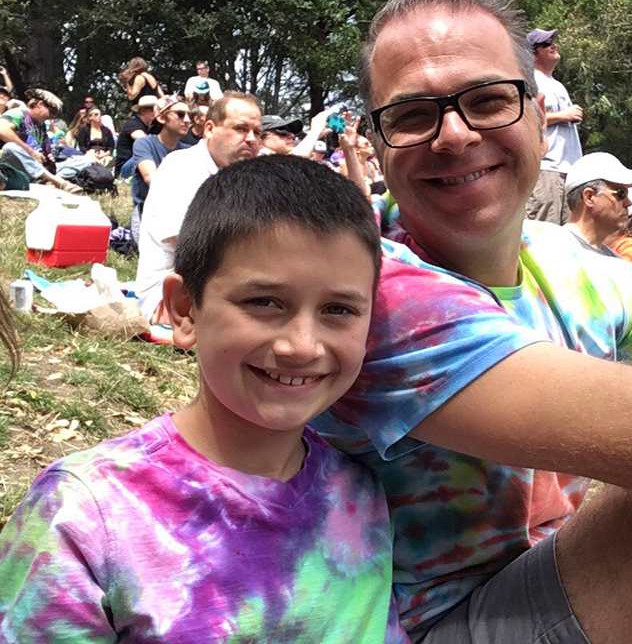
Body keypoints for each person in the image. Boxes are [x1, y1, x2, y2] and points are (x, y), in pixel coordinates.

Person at [314, 0, 632, 643]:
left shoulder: (564, 260)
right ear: (379, 145)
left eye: (488, 100)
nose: (454, 135)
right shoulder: (366, 295)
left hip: (545, 586)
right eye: (412, 115)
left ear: (538, 115)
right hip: (425, 626)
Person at [0, 156, 408, 643]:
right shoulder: (84, 516)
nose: (302, 346)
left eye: (338, 310)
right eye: (264, 302)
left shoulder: (360, 494)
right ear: (184, 310)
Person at [136, 93, 262, 328]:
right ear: (210, 129)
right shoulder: (181, 167)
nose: (251, 139)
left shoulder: (243, 176)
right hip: (172, 299)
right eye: (240, 129)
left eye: (258, 132)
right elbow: (189, 248)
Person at [524, 27, 583, 225]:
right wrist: (562, 115)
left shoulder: (557, 84)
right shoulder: (530, 80)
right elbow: (525, 118)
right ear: (533, 54)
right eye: (546, 44)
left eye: (553, 42)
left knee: (567, 232)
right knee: (544, 229)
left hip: (569, 170)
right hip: (547, 167)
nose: (553, 45)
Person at [130, 96, 190, 239]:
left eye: (190, 115)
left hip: (180, 214)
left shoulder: (188, 150)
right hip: (148, 213)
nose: (187, 120)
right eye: (180, 114)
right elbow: (151, 178)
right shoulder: (144, 144)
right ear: (161, 118)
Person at [563, 152, 632, 256]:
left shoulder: (615, 261)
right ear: (589, 197)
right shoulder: (550, 246)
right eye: (621, 193)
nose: (629, 203)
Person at [0, 88, 81, 193]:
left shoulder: (42, 127)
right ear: (40, 104)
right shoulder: (18, 113)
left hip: (35, 167)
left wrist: (48, 157)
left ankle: (47, 178)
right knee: (10, 147)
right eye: (52, 112)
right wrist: (31, 152)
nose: (52, 117)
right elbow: (2, 129)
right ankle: (57, 181)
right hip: (12, 164)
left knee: (83, 160)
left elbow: (45, 150)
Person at [114, 95, 156, 178]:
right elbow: (145, 142)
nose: (158, 113)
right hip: (125, 168)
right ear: (143, 111)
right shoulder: (133, 124)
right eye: (154, 110)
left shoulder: (150, 127)